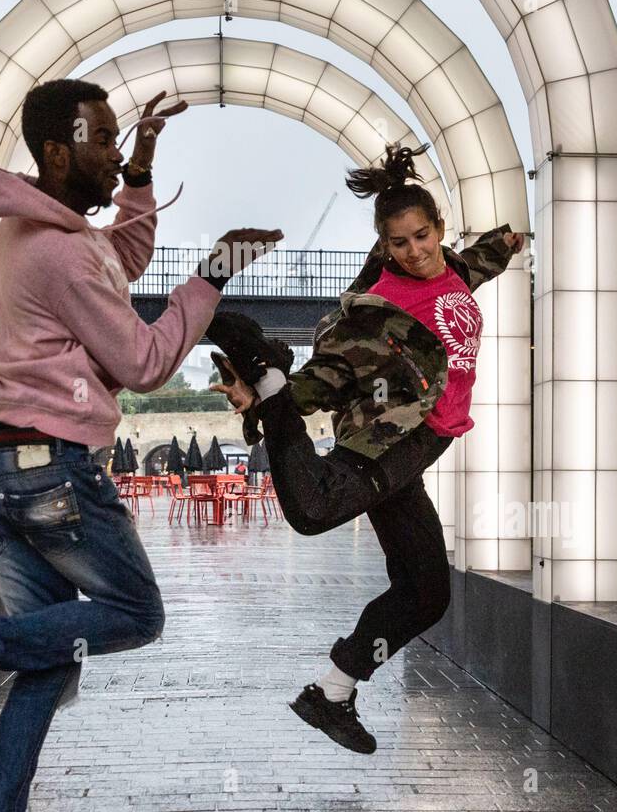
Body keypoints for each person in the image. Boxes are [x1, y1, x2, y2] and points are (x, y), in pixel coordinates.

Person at [0, 77, 281, 812]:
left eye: (121, 137)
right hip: (53, 468)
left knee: (51, 659)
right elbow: (145, 363)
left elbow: (120, 259)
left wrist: (145, 167)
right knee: (136, 615)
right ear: (56, 149)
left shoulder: (33, 227)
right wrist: (211, 279)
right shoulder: (65, 248)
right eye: (105, 138)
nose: (115, 151)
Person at [209, 144, 524, 756]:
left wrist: (505, 243)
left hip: (422, 450)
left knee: (427, 593)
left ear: (438, 229)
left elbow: (473, 265)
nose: (414, 251)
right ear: (383, 246)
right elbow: (329, 375)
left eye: (422, 236)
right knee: (313, 510)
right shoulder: (378, 306)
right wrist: (270, 397)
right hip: (391, 438)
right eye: (399, 243)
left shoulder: (452, 267)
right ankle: (261, 367)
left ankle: (331, 692)